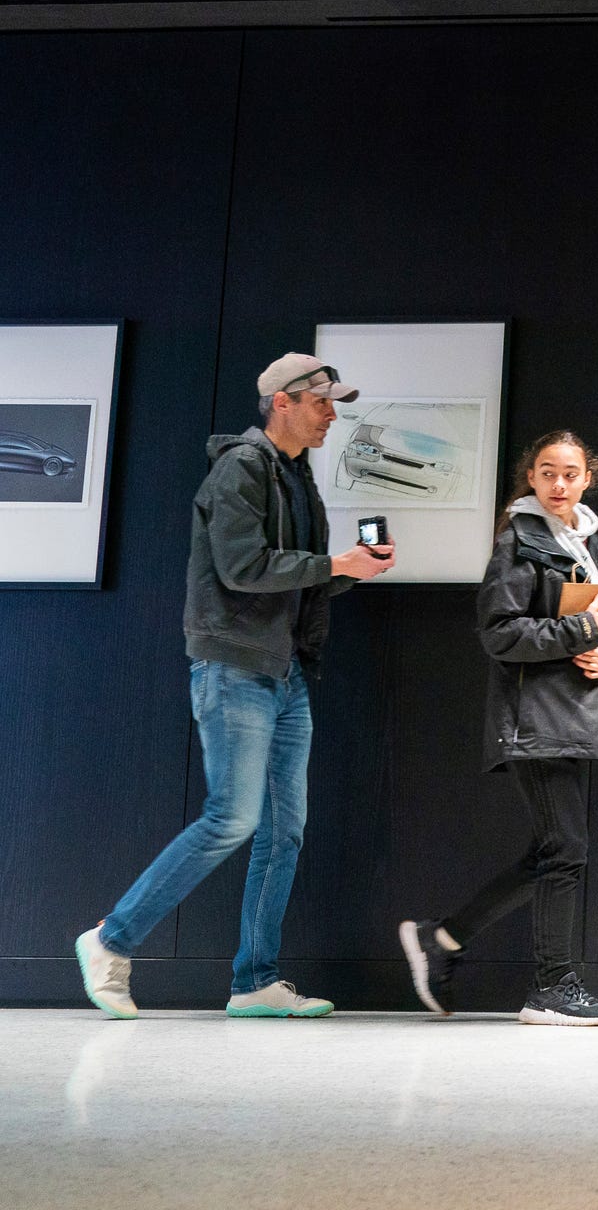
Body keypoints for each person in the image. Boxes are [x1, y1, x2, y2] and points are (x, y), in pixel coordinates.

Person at [74, 353, 398, 1018]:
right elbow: (244, 567)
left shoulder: (295, 476)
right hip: (235, 667)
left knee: (284, 832)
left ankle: (254, 981)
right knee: (233, 819)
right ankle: (110, 939)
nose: (332, 415)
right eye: (322, 403)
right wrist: (331, 562)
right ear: (283, 401)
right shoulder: (242, 468)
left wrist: (347, 572)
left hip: (284, 671)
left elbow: (291, 576)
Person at [401, 432, 598, 1026]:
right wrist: (581, 637)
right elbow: (499, 635)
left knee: (552, 851)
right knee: (568, 850)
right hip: (535, 717)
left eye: (570, 473)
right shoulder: (518, 541)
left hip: (574, 713)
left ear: (588, 478)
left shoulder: (590, 546)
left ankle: (442, 939)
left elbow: (596, 631)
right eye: (547, 472)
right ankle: (551, 987)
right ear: (531, 477)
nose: (559, 484)